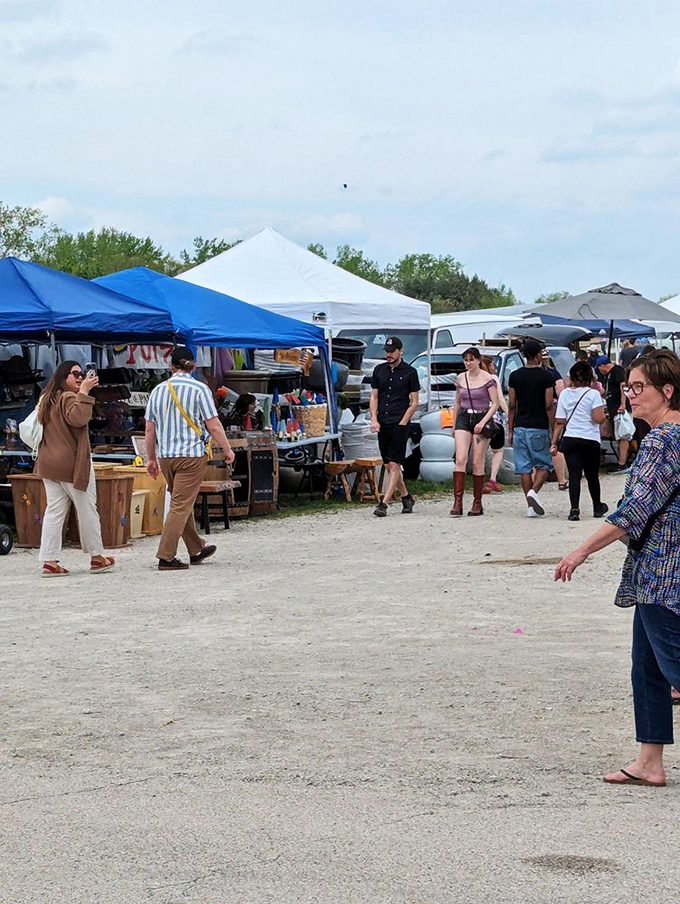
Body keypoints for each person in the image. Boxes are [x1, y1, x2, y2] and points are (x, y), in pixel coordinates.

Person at [555, 349, 680, 787]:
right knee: (646, 668)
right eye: (628, 387)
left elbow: (631, 511)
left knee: (676, 668)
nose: (630, 395)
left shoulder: (663, 440)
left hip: (664, 574)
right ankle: (649, 762)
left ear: (667, 391)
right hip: (655, 571)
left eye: (640, 387)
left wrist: (580, 551)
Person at [145, 346, 236, 571]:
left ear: (171, 366)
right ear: (193, 365)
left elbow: (149, 429)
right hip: (191, 454)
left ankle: (196, 548)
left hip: (166, 456)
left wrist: (151, 458)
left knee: (180, 502)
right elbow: (213, 424)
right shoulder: (199, 389)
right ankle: (166, 556)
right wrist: (227, 448)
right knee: (180, 505)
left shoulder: (158, 390)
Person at [34, 360, 114, 577]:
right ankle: (97, 557)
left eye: (81, 373)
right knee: (87, 509)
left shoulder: (47, 398)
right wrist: (85, 392)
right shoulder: (69, 396)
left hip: (48, 463)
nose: (80, 377)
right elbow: (78, 419)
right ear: (63, 377)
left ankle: (49, 560)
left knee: (54, 511)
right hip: (71, 463)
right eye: (75, 374)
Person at [550, 361, 608, 521]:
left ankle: (574, 510)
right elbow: (597, 419)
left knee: (574, 475)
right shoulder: (593, 394)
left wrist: (554, 442)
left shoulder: (565, 394)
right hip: (590, 439)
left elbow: (560, 421)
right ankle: (597, 506)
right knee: (591, 475)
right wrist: (604, 415)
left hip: (570, 438)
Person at [370, 336, 420, 517]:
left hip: (400, 422)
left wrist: (404, 420)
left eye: (392, 351)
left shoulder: (410, 372)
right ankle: (406, 497)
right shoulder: (379, 370)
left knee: (394, 463)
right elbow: (374, 396)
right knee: (388, 464)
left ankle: (384, 503)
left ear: (401, 351)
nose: (389, 355)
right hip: (383, 421)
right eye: (387, 352)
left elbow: (414, 402)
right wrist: (373, 419)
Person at [450, 348, 500, 517]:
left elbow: (495, 403)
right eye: (465, 360)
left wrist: (483, 421)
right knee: (460, 458)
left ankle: (477, 502)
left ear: (478, 360)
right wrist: (454, 423)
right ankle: (457, 501)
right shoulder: (460, 378)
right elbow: (457, 401)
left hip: (481, 416)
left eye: (471, 359)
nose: (468, 363)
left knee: (477, 461)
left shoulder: (488, 379)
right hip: (464, 417)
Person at [507, 340, 555, 517]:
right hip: (539, 426)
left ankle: (530, 507)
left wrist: (510, 429)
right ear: (537, 355)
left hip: (520, 426)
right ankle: (534, 492)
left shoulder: (515, 376)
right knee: (544, 465)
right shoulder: (546, 377)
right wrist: (553, 427)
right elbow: (549, 404)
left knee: (524, 468)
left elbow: (512, 405)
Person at [596, 355, 630, 473]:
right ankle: (620, 460)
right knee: (618, 435)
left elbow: (623, 386)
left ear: (603, 365)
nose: (600, 371)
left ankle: (622, 463)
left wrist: (623, 404)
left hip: (619, 408)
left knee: (623, 435)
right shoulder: (608, 375)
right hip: (613, 408)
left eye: (600, 368)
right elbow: (608, 391)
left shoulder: (617, 371)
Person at [541, 349, 568, 491]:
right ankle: (561, 479)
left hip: (535, 413)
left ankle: (537, 478)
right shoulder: (554, 374)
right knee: (555, 444)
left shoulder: (533, 374)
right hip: (552, 411)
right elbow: (561, 393)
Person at [480, 355, 508, 493]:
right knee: (498, 450)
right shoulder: (492, 378)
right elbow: (500, 399)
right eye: (493, 365)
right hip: (493, 420)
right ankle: (492, 479)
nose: (494, 368)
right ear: (489, 365)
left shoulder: (473, 378)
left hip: (477, 419)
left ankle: (479, 480)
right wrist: (509, 414)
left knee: (480, 452)